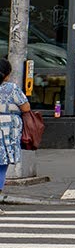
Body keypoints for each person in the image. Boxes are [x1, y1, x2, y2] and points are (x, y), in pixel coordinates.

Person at [0, 59, 33, 196]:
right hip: (7, 131)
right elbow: (26, 107)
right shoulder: (11, 88)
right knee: (2, 166)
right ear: (7, 74)